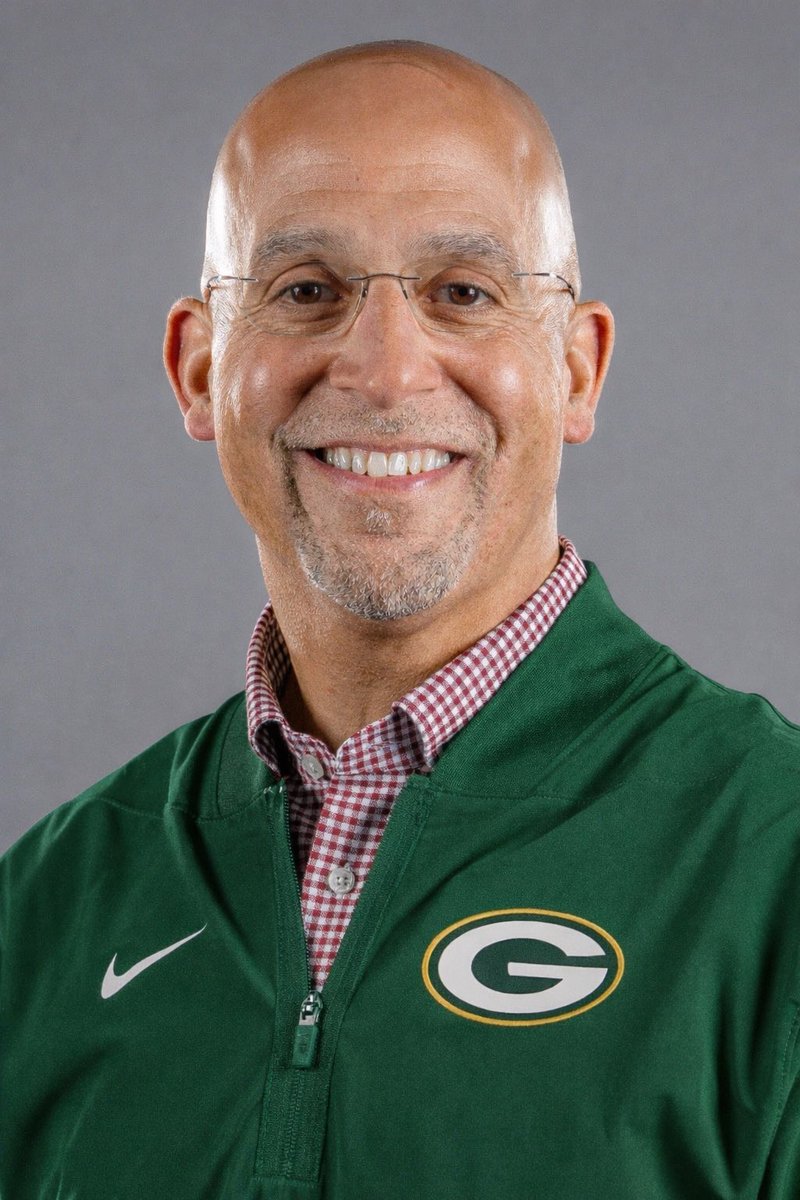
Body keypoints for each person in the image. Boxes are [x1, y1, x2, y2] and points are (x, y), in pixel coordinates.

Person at [1, 39, 798, 1200]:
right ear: (198, 368)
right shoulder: (44, 913)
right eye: (305, 290)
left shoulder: (769, 858)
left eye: (461, 293)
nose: (383, 369)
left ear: (576, 370)